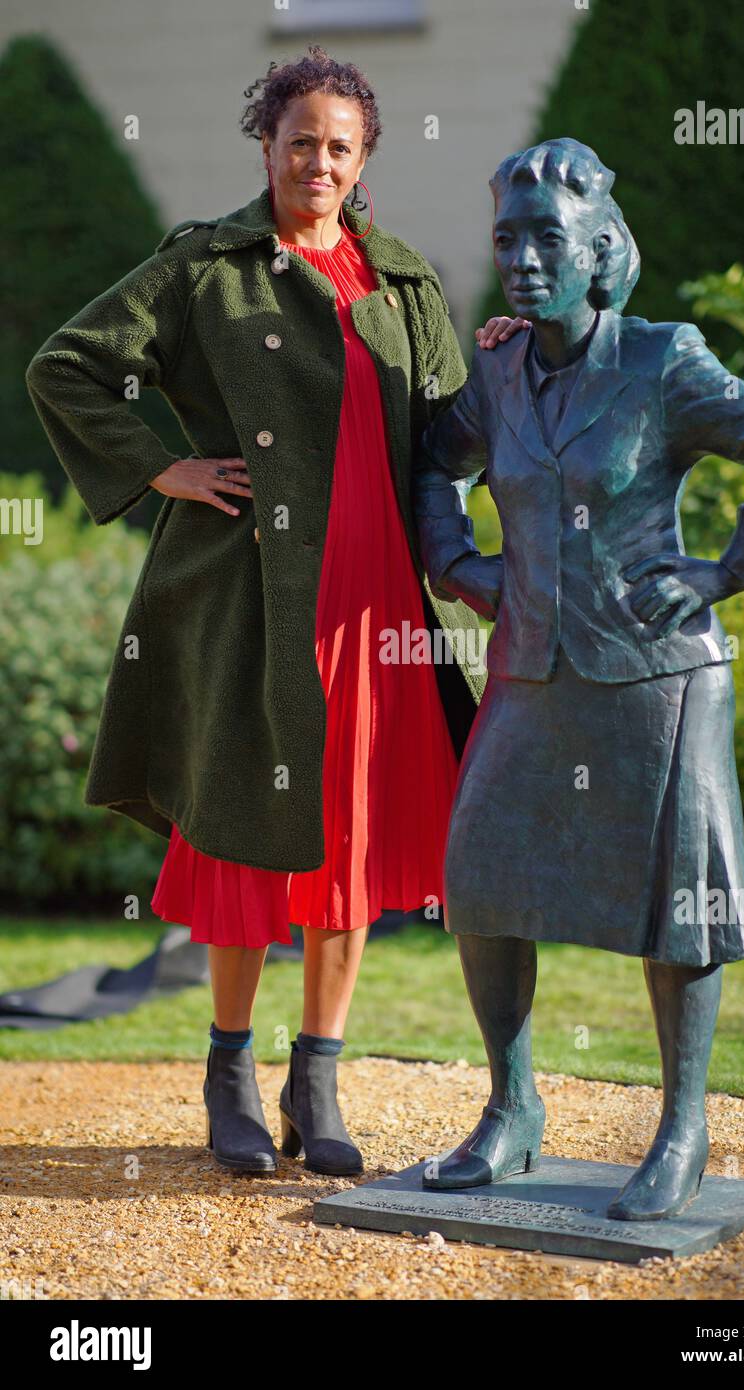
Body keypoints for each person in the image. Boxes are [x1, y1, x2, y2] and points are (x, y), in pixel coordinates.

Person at [25, 46, 527, 1178]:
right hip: (253, 600)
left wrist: (498, 363)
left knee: (346, 839)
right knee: (250, 838)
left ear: (363, 160)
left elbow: (446, 433)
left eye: (339, 145)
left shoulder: (399, 281)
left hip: (376, 608)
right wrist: (165, 470)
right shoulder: (207, 267)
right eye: (299, 139)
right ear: (266, 143)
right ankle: (228, 1069)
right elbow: (68, 365)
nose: (318, 161)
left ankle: (319, 1078)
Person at [413, 137, 744, 1220]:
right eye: (506, 238)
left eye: (544, 238)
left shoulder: (661, 360)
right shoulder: (497, 370)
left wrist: (732, 571)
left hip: (658, 677)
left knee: (675, 911)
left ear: (600, 252)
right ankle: (511, 1113)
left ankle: (681, 1130)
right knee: (481, 876)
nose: (519, 258)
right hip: (529, 666)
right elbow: (432, 461)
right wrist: (460, 566)